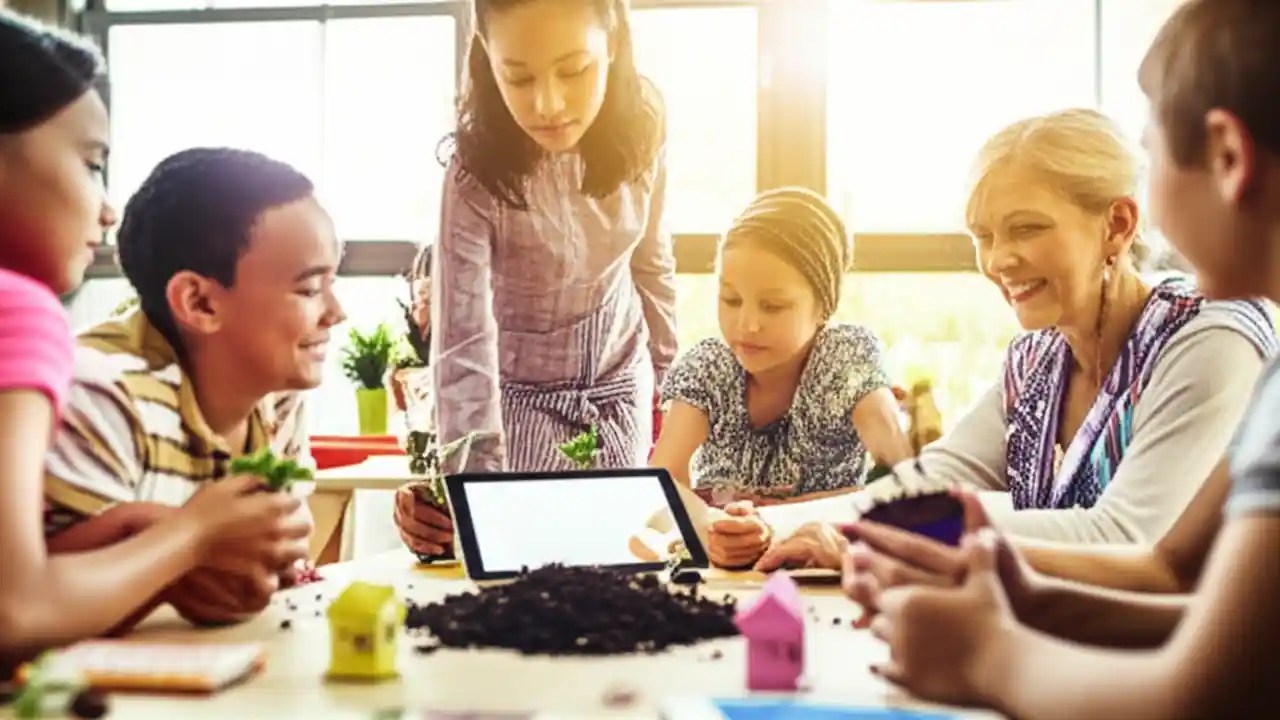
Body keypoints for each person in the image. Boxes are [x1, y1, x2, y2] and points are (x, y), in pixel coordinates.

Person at [866, 2, 1280, 715]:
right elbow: (1171, 574)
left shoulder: (1218, 336)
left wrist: (986, 650)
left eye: (1153, 152)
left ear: (1227, 157)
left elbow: (1207, 689)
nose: (998, 259)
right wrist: (1015, 587)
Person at [718, 107, 1278, 571]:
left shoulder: (1211, 338)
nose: (998, 260)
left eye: (1027, 229)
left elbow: (1128, 534)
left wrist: (867, 536)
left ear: (1118, 225)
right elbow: (929, 482)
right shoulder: (1036, 360)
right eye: (983, 236)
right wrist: (762, 525)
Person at [0, 11, 310, 666]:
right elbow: (14, 607)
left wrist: (138, 538)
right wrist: (195, 534)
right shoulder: (21, 314)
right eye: (91, 163)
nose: (107, 208)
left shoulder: (275, 410)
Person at [396, 0, 675, 557]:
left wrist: (675, 396)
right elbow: (462, 340)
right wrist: (465, 487)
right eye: (517, 77)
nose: (547, 104)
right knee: (523, 562)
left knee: (620, 561)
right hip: (513, 396)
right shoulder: (474, 170)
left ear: (613, 43)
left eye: (574, 70)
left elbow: (652, 263)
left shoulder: (643, 125)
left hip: (619, 380)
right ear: (486, 58)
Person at [43, 146, 344, 626]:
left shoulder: (276, 399)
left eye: (333, 281)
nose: (336, 312)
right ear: (200, 302)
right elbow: (37, 601)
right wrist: (188, 547)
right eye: (309, 289)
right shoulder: (100, 393)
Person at [648, 188, 911, 564]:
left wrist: (777, 520)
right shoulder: (707, 366)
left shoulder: (847, 356)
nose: (747, 324)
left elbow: (902, 473)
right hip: (730, 571)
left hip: (821, 567)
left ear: (824, 305)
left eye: (773, 306)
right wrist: (709, 528)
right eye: (731, 299)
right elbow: (663, 477)